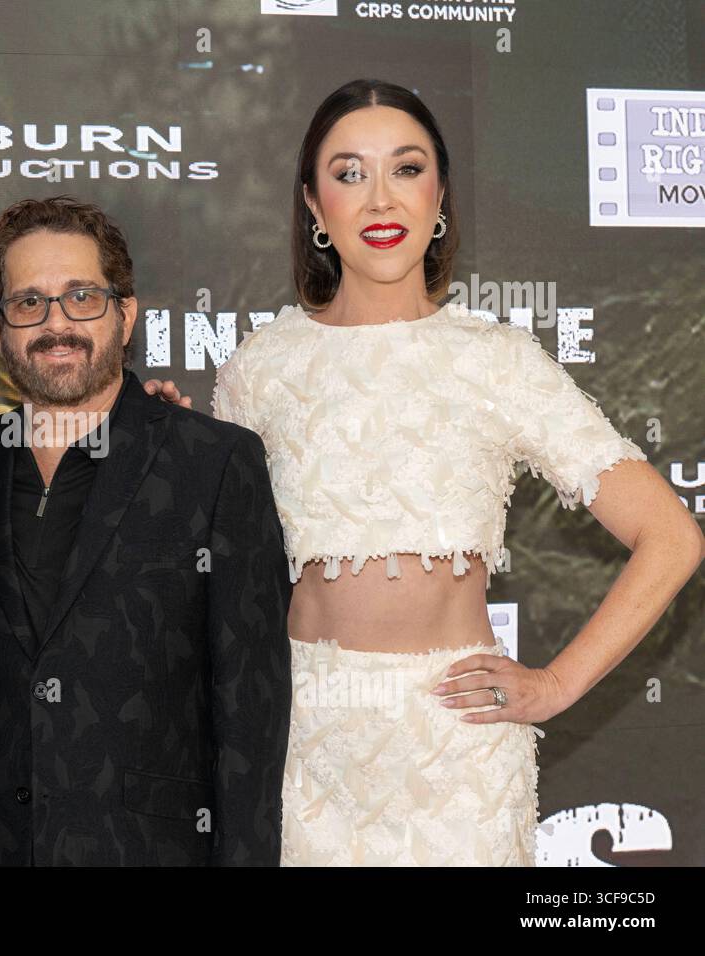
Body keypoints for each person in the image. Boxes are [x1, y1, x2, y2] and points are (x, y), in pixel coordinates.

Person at [201, 79, 705, 866]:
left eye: (405, 169)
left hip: (458, 749)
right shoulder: (260, 369)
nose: (379, 199)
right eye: (348, 172)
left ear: (439, 198)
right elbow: (212, 562)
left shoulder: (496, 361)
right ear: (312, 205)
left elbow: (670, 536)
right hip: (304, 745)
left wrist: (558, 685)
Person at [0, 196, 292, 865]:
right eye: (28, 303)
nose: (57, 324)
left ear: (126, 313)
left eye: (82, 296)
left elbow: (251, 716)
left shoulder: (214, 463)